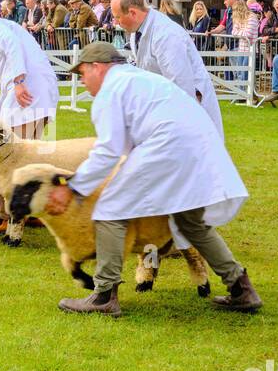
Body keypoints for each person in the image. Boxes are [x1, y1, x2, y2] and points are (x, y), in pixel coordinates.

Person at [43, 42, 258, 317]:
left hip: (168, 146)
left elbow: (109, 150)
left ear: (97, 67)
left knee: (110, 208)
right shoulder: (139, 79)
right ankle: (241, 288)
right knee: (189, 221)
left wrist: (71, 188)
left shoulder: (112, 90)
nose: (82, 81)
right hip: (196, 144)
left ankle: (104, 295)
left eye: (82, 73)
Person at [0, 11, 60, 235]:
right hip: (35, 95)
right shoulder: (5, 28)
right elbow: (5, 86)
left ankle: (1, 218)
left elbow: (12, 47)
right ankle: (32, 211)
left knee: (10, 159)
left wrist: (19, 81)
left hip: (28, 96)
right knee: (28, 160)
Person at [112, 0, 225, 138]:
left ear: (132, 13)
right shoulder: (137, 33)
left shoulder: (166, 35)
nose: (115, 22)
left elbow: (181, 87)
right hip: (163, 109)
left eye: (117, 17)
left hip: (188, 112)